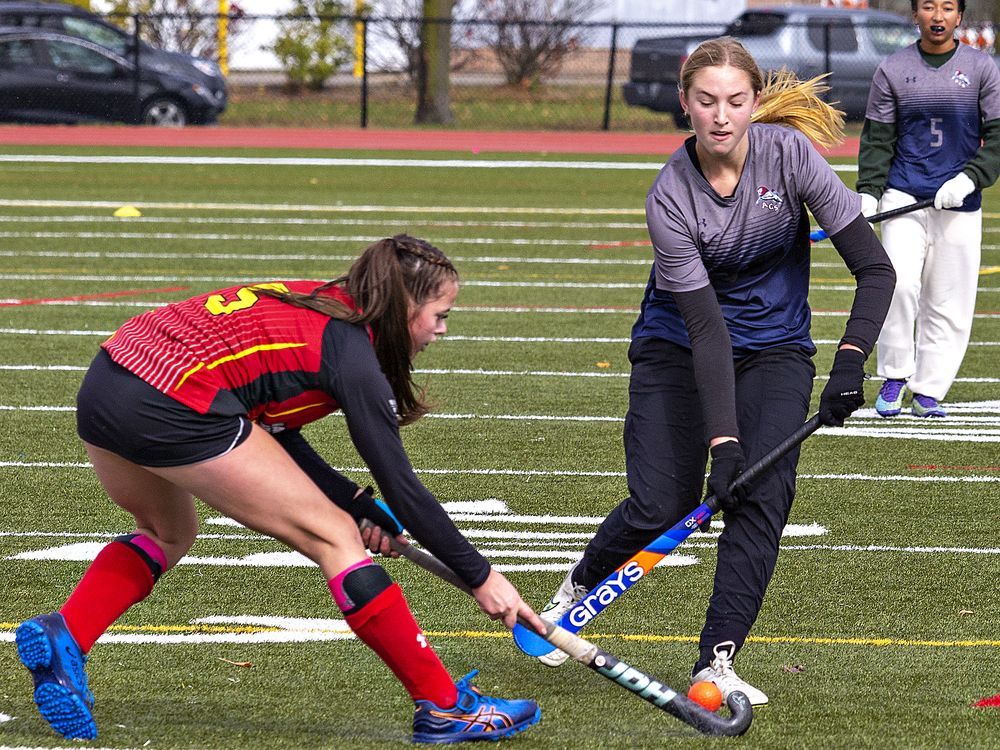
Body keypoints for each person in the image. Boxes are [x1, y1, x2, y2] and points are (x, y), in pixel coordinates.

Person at [15, 234, 545, 744]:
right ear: (404, 307)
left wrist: (358, 504)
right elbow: (402, 485)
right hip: (172, 399)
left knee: (166, 531)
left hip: (110, 381)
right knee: (335, 537)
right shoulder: (354, 358)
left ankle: (67, 635)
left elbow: (273, 430)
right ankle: (444, 708)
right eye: (439, 315)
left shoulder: (323, 304)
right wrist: (482, 577)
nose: (443, 330)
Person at [533, 38, 896, 706]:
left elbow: (876, 269)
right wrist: (723, 442)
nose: (721, 116)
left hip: (776, 348)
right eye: (706, 101)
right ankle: (582, 583)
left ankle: (716, 661)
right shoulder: (671, 198)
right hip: (678, 345)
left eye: (735, 101)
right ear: (684, 105)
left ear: (754, 103)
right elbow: (706, 329)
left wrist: (849, 362)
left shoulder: (789, 157)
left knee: (761, 496)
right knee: (660, 504)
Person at [858, 0, 1000, 418]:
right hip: (903, 196)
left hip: (960, 202)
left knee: (949, 299)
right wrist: (868, 191)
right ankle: (895, 375)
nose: (938, 16)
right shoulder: (891, 69)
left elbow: (997, 139)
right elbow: (878, 139)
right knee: (898, 285)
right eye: (928, 7)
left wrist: (969, 178)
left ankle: (929, 390)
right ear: (915, 14)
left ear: (959, 16)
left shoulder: (983, 68)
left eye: (948, 7)